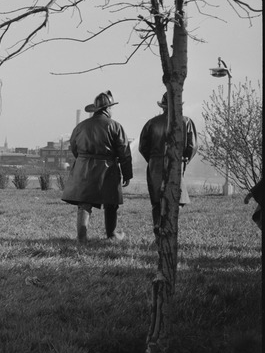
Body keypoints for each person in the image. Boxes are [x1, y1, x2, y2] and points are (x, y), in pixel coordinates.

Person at [61, 90, 133, 242]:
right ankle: (112, 234)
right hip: (108, 169)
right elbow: (124, 152)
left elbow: (74, 148)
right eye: (111, 107)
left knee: (84, 203)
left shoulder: (80, 127)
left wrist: (83, 161)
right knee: (111, 202)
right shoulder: (115, 126)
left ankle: (82, 237)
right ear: (107, 109)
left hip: (83, 168)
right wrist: (127, 174)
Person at [137, 96, 198, 235]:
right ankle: (167, 228)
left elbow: (142, 147)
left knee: (156, 201)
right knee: (176, 199)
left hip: (155, 165)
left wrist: (153, 159)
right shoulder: (186, 121)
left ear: (162, 106)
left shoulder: (151, 123)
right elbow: (192, 146)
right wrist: (184, 160)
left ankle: (158, 226)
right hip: (175, 163)